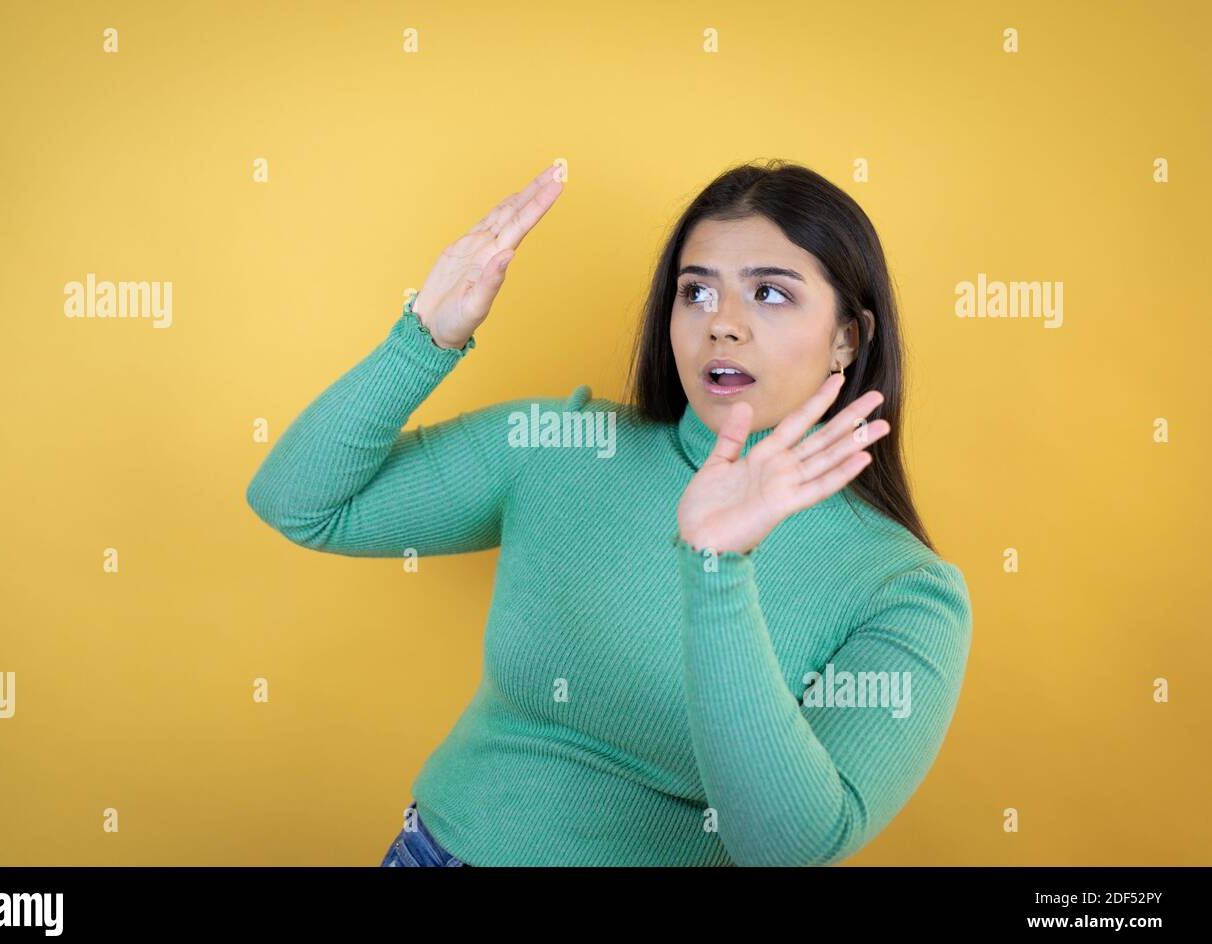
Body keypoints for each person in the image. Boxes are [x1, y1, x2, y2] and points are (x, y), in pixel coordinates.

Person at [246, 160, 973, 866]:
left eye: (771, 294)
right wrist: (424, 336)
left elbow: (790, 845)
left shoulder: (903, 589)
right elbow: (302, 505)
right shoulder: (565, 446)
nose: (722, 324)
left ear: (849, 335)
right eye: (696, 293)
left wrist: (718, 569)